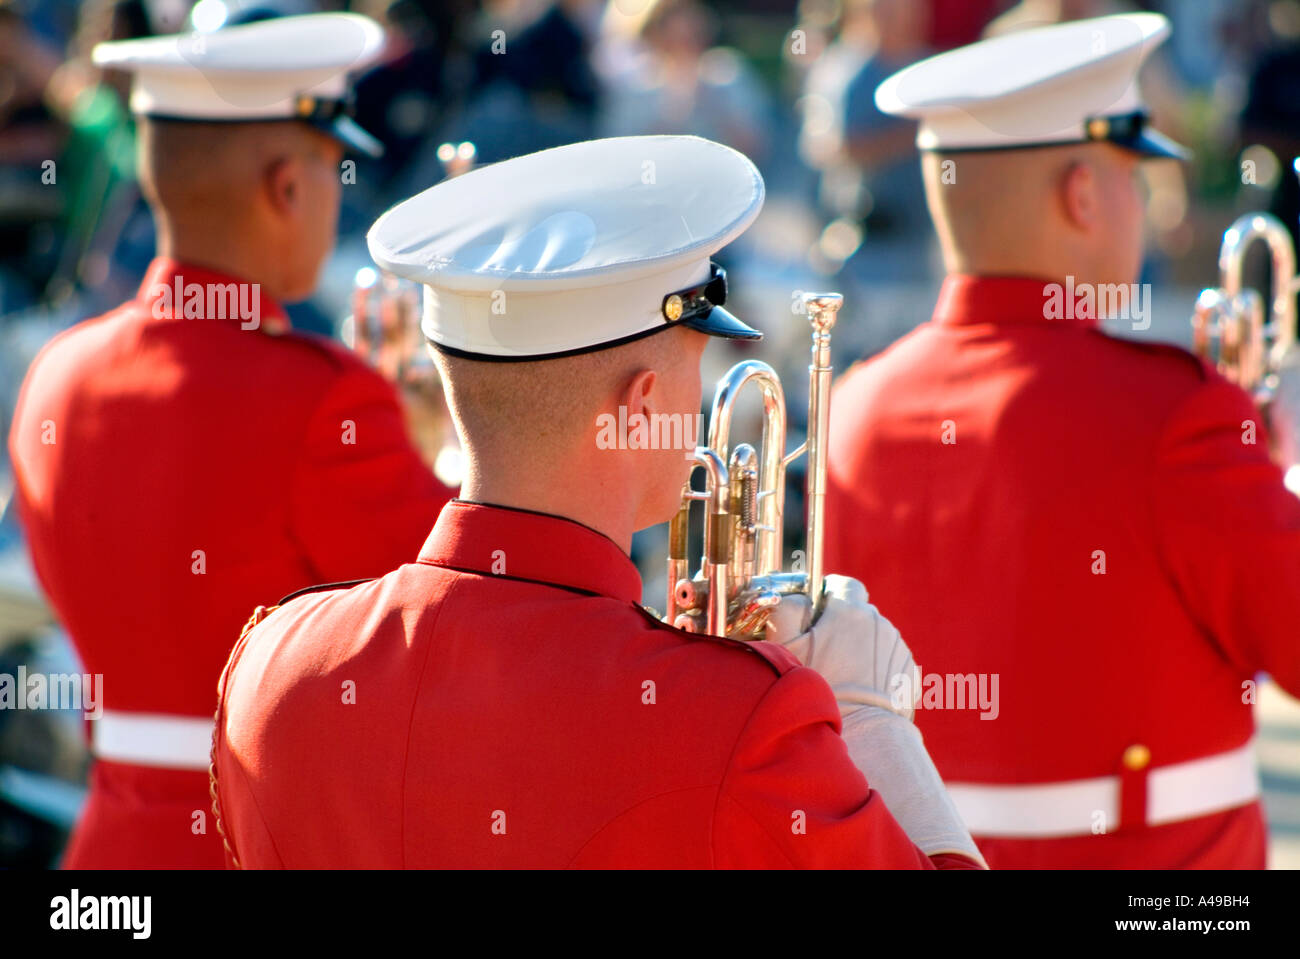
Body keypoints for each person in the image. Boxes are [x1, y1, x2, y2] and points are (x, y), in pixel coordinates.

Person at [209, 135, 986, 869]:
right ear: (641, 405)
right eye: (697, 359)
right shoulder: (739, 724)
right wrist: (869, 716)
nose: (709, 391)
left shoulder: (272, 666)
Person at [824, 13, 1300, 868]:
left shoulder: (854, 409)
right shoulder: (1173, 413)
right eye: (1133, 177)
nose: (1145, 206)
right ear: (1082, 193)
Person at [7, 12, 454, 869]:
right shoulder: (321, 398)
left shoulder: (55, 377)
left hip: (104, 856)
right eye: (333, 172)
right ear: (287, 187)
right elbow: (459, 621)